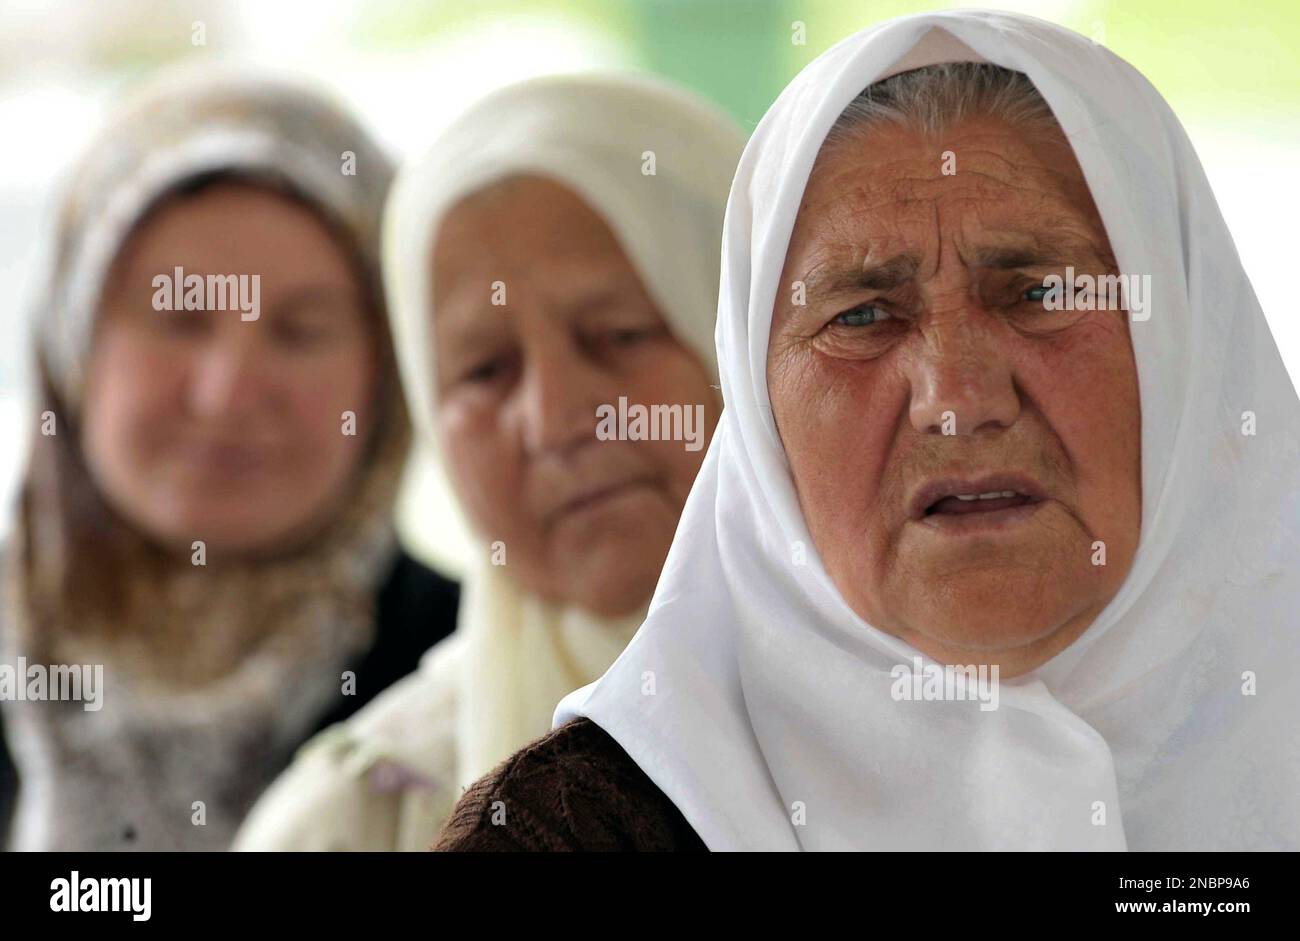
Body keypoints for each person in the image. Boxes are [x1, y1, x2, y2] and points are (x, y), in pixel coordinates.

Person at [435, 12, 1300, 851]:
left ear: (1188, 352)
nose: (957, 398)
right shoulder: (581, 832)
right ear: (759, 408)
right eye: (864, 316)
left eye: (1040, 294)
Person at [232, 73, 744, 851]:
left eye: (620, 333)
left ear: (753, 334)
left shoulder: (962, 714)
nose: (554, 420)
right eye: (484, 370)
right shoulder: (362, 818)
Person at [0, 69, 459, 851]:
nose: (227, 393)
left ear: (386, 375)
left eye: (299, 329)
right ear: (74, 352)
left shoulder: (480, 686)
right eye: (179, 318)